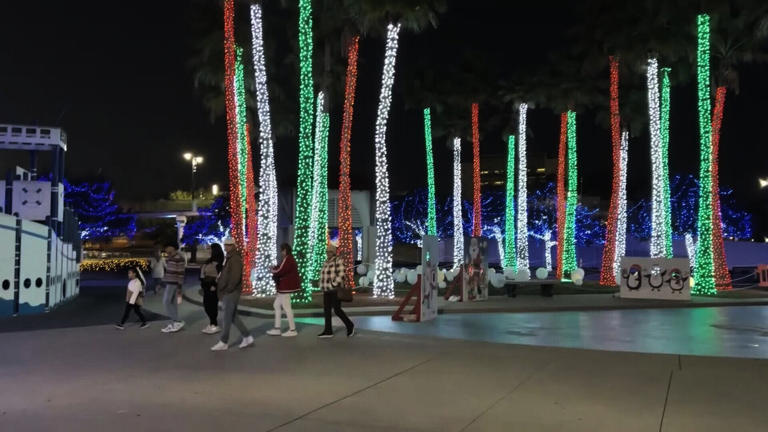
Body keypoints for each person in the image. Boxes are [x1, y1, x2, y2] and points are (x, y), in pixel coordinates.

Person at [210, 237, 253, 351]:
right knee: (233, 317)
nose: (226, 247)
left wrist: (228, 289)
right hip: (229, 291)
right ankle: (247, 337)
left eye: (229, 245)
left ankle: (224, 341)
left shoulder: (235, 259)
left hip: (231, 292)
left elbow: (235, 277)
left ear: (233, 246)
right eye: (225, 245)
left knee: (226, 318)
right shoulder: (229, 257)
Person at [318, 244, 355, 338]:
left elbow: (342, 274)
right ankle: (328, 331)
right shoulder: (326, 262)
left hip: (335, 290)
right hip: (326, 290)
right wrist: (321, 285)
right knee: (326, 311)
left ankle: (350, 325)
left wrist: (333, 284)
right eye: (327, 252)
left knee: (337, 310)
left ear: (333, 252)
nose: (328, 253)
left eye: (330, 252)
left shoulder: (338, 260)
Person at [268, 243, 300, 337]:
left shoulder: (289, 259)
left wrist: (273, 270)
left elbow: (281, 271)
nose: (281, 252)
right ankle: (277, 328)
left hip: (286, 287)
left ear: (286, 250)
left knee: (286, 307)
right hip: (284, 287)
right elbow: (281, 268)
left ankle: (292, 329)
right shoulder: (288, 259)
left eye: (282, 250)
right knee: (276, 305)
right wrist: (274, 268)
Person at [160, 241, 187, 333]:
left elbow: (180, 273)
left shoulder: (179, 258)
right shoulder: (171, 257)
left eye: (167, 247)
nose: (166, 249)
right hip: (169, 282)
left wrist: (180, 287)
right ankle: (174, 323)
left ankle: (176, 321)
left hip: (174, 283)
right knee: (172, 303)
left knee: (166, 302)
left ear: (173, 247)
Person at [200, 243, 224, 334]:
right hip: (206, 285)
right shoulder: (208, 261)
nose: (209, 250)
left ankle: (214, 324)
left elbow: (220, 275)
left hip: (213, 286)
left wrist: (214, 285)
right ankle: (212, 323)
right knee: (206, 305)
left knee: (212, 305)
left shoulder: (219, 262)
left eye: (210, 249)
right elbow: (202, 273)